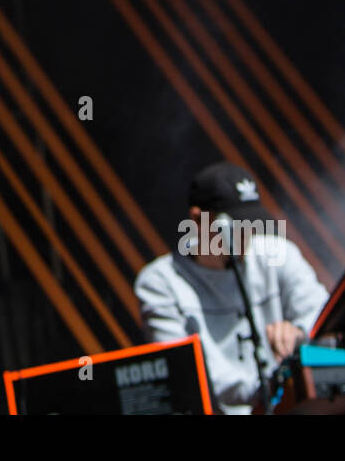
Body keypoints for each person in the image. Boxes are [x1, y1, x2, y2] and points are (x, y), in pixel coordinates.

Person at [133, 161, 328, 414]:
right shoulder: (160, 283)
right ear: (198, 220)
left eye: (253, 222)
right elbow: (189, 375)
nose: (249, 233)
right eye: (236, 225)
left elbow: (327, 317)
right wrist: (274, 386)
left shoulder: (278, 253)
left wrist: (299, 334)